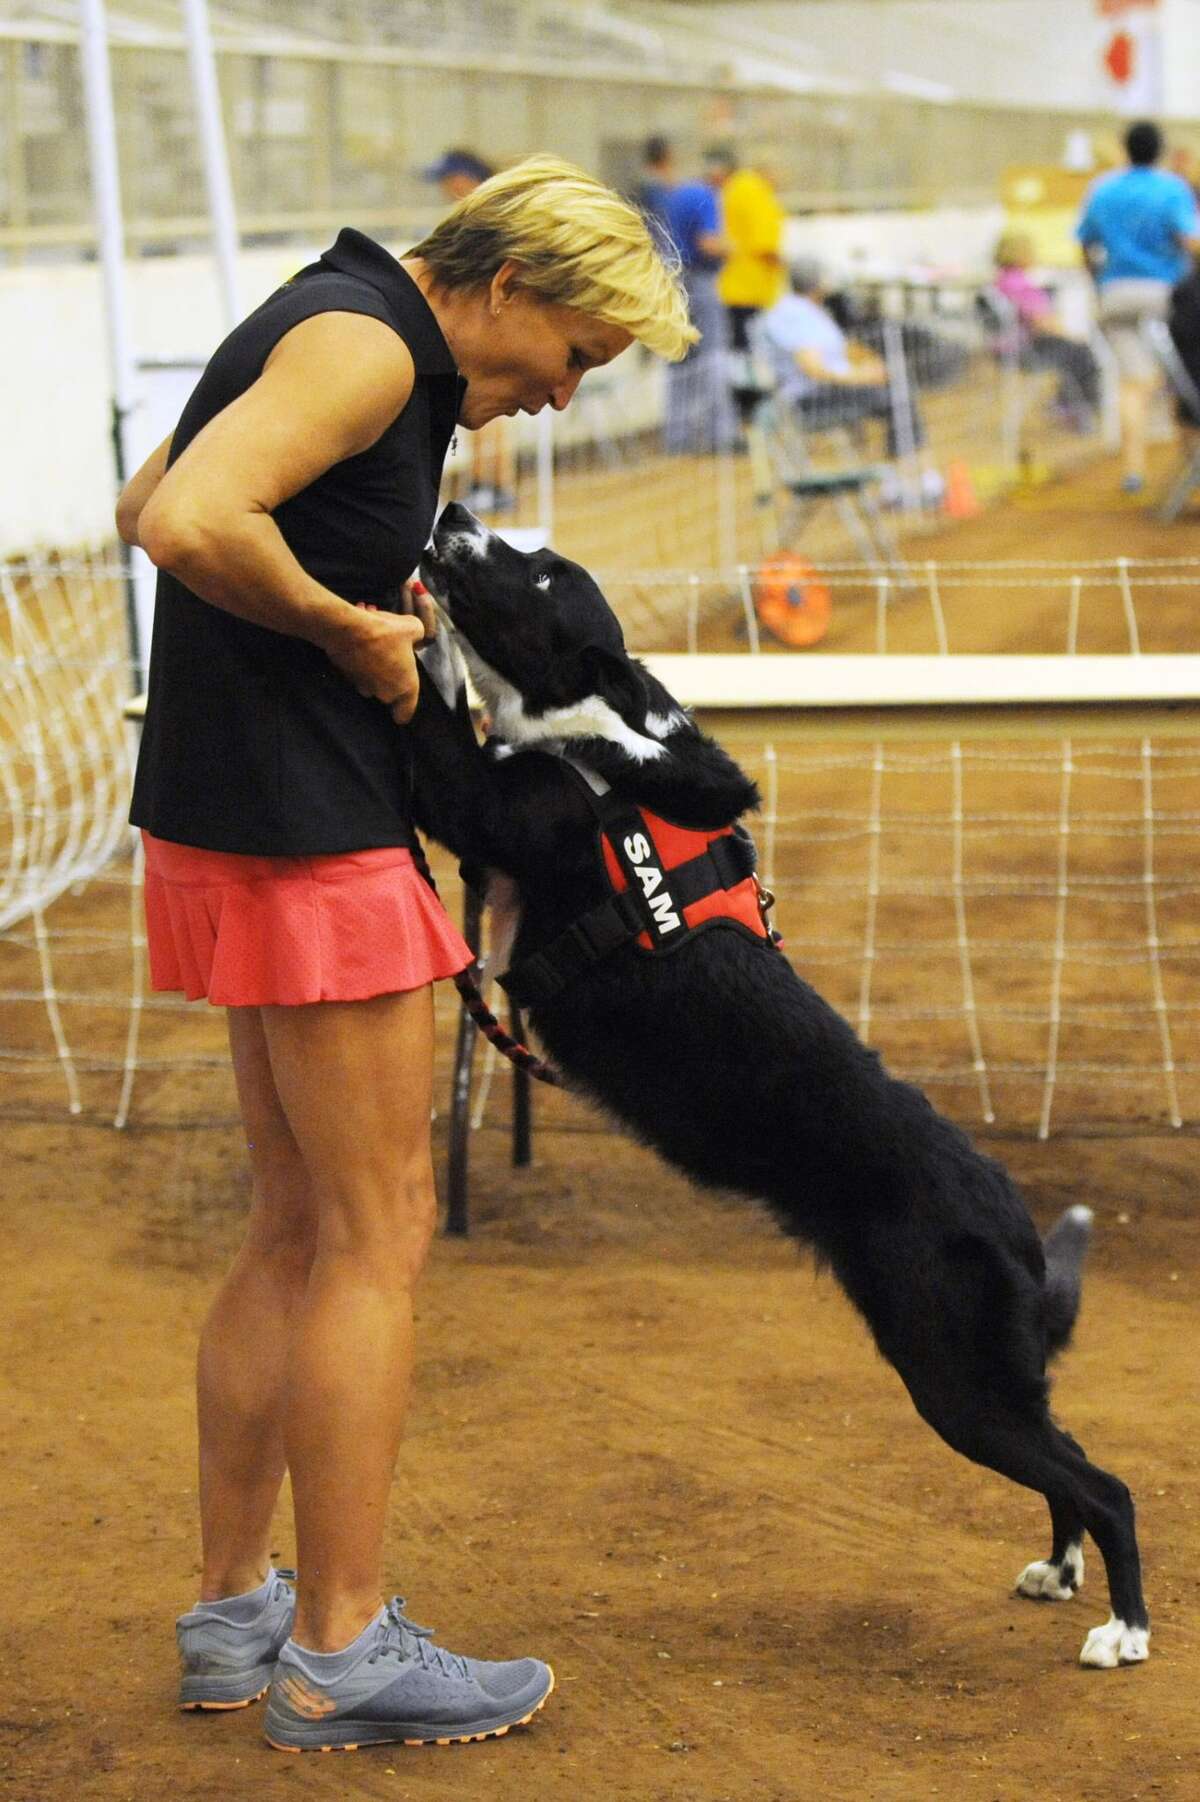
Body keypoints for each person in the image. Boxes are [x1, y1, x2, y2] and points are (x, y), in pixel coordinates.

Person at [115, 155, 694, 1756]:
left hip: (229, 818)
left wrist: (326, 602)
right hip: (312, 831)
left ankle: (238, 1612)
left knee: (295, 1225)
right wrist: (349, 628)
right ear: (506, 286)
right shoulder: (370, 345)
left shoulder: (324, 312)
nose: (568, 397)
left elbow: (142, 498)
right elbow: (181, 518)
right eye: (575, 356)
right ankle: (342, 1643)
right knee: (378, 1230)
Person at [1076, 119, 1200, 492]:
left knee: (1134, 383)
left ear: (1125, 148)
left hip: (1115, 294)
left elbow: (1084, 243)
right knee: (1185, 378)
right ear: (1159, 150)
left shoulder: (1102, 188)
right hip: (1168, 296)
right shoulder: (1171, 188)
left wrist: (1098, 283)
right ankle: (1190, 468)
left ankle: (1134, 468)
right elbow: (1189, 240)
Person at [756, 255, 927, 463]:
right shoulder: (795, 315)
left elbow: (844, 347)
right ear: (817, 283)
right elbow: (813, 369)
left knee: (897, 386)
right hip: (812, 398)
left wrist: (874, 363)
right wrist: (861, 377)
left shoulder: (809, 311)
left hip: (827, 390)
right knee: (898, 397)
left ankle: (902, 471)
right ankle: (906, 473)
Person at [422, 149, 516, 512]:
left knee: (481, 404)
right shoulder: (491, 211)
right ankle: (494, 485)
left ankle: (486, 484)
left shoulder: (482, 217)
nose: (445, 188)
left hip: (488, 324)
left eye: (448, 180)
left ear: (463, 178)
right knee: (492, 409)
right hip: (492, 321)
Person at [660, 145, 737, 454]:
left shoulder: (677, 194)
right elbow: (708, 244)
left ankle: (677, 439)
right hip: (701, 281)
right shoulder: (708, 196)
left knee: (678, 359)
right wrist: (734, 251)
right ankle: (722, 435)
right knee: (715, 356)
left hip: (672, 281)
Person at [991, 231, 1103, 428]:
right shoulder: (1019, 284)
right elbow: (1041, 321)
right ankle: (1071, 406)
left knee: (1076, 351)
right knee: (1083, 353)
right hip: (1024, 350)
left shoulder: (1000, 281)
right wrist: (1073, 334)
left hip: (1007, 348)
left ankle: (1067, 403)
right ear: (1021, 253)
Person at [716, 150, 785, 381]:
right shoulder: (756, 190)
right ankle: (749, 409)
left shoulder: (734, 187)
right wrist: (784, 267)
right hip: (752, 287)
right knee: (752, 359)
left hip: (732, 284)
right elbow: (765, 245)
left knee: (737, 353)